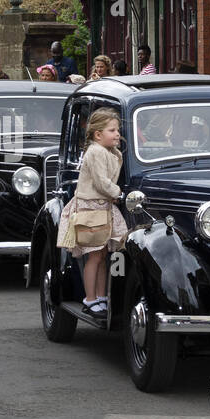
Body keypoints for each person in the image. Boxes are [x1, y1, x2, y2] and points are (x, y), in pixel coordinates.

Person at [55, 108, 128, 318]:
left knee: (103, 255)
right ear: (98, 135)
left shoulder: (111, 152)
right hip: (91, 209)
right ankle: (90, 299)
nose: (117, 134)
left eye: (118, 130)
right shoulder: (95, 151)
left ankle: (101, 296)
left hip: (103, 207)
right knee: (93, 256)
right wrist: (118, 192)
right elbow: (101, 181)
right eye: (112, 130)